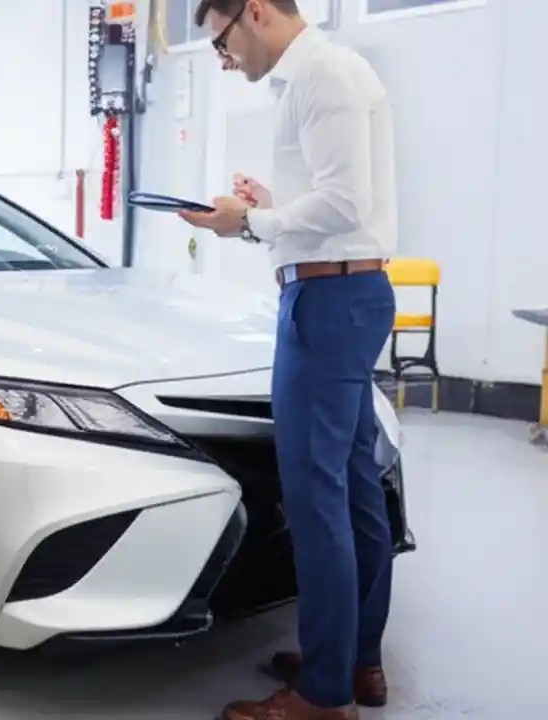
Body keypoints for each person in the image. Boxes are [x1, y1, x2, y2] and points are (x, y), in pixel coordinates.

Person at [176, 1, 399, 719]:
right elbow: (337, 207)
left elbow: (345, 204)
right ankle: (355, 659)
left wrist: (251, 220)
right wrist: (268, 211)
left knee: (315, 496)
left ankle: (324, 695)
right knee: (354, 486)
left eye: (222, 41)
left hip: (328, 303)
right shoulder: (334, 72)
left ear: (256, 12)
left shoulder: (319, 76)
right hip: (347, 292)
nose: (224, 59)